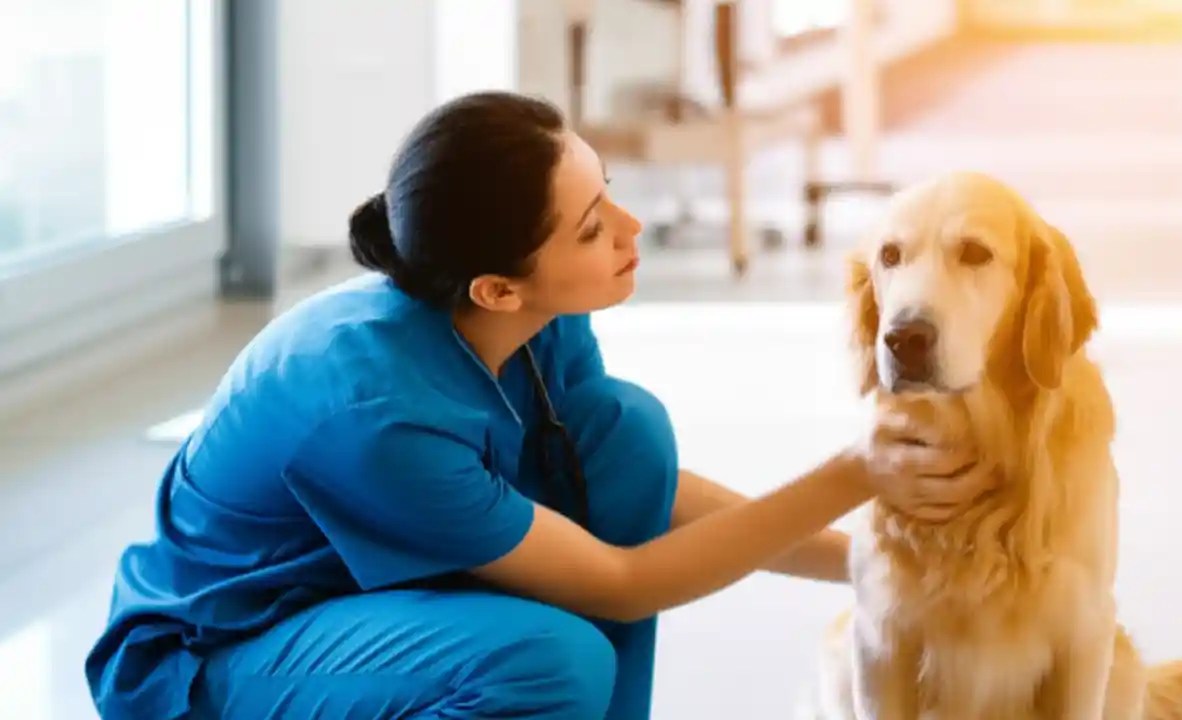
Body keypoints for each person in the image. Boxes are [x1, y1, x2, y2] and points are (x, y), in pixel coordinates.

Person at [84, 91, 991, 720]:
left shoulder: (528, 322)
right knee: (549, 663)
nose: (631, 232)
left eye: (609, 197)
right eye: (593, 228)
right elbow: (624, 581)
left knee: (631, 439)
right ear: (496, 288)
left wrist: (882, 569)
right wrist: (854, 474)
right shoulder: (374, 413)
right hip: (221, 658)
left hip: (371, 605)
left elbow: (644, 494)